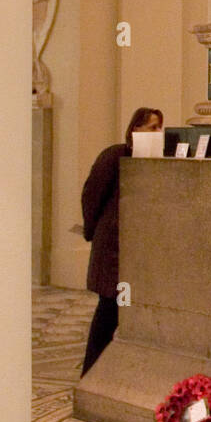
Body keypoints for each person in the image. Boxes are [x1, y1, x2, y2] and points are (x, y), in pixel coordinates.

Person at [80, 107, 164, 376]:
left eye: (160, 128)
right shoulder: (115, 155)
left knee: (123, 312)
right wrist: (92, 230)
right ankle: (91, 371)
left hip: (136, 252)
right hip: (113, 248)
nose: (157, 133)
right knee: (109, 309)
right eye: (152, 127)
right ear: (135, 129)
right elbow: (92, 194)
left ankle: (112, 371)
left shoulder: (155, 162)